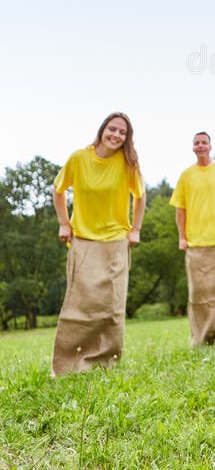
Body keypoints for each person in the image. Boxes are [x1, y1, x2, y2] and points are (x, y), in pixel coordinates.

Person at [51, 111, 146, 376]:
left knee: (112, 305)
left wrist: (135, 229)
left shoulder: (128, 163)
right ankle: (68, 364)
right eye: (112, 129)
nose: (116, 135)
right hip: (83, 239)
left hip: (115, 240)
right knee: (80, 303)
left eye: (122, 132)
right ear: (103, 129)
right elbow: (58, 190)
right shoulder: (79, 158)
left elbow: (140, 196)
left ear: (127, 138)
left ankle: (106, 362)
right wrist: (64, 223)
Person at [170, 131, 215, 346]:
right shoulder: (186, 175)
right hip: (195, 243)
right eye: (196, 143)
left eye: (204, 142)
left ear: (210, 146)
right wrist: (182, 237)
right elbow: (180, 210)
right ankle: (200, 339)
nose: (200, 146)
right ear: (193, 148)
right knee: (198, 294)